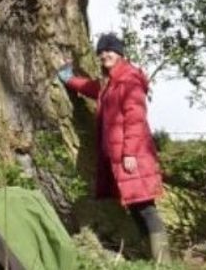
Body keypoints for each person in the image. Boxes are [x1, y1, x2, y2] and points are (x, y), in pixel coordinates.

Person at [57, 32, 170, 264]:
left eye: (110, 50)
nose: (105, 55)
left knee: (146, 207)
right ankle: (153, 259)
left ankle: (164, 262)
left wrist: (129, 153)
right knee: (137, 209)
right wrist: (69, 79)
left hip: (133, 156)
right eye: (101, 51)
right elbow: (91, 88)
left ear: (120, 54)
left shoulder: (129, 80)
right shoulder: (111, 83)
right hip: (120, 157)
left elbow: (135, 119)